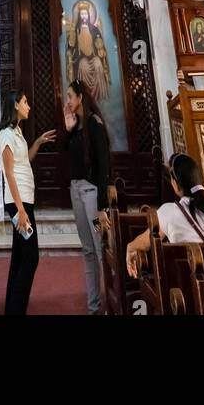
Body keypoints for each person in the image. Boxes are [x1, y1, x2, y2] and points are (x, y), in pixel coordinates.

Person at [0, 90, 55, 315]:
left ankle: (12, 307)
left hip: (24, 200)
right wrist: (20, 209)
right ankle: (16, 309)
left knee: (20, 256)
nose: (28, 106)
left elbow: (24, 160)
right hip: (17, 202)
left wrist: (38, 142)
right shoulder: (5, 135)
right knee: (31, 257)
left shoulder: (17, 131)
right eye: (25, 102)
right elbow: (9, 173)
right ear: (16, 105)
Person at [64, 80, 112, 314]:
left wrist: (102, 207)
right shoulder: (78, 125)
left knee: (101, 249)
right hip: (76, 192)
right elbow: (71, 159)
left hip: (93, 196)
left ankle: (113, 299)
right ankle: (94, 307)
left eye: (71, 96)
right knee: (88, 251)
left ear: (81, 97)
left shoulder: (94, 124)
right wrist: (69, 129)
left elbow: (104, 167)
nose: (68, 101)